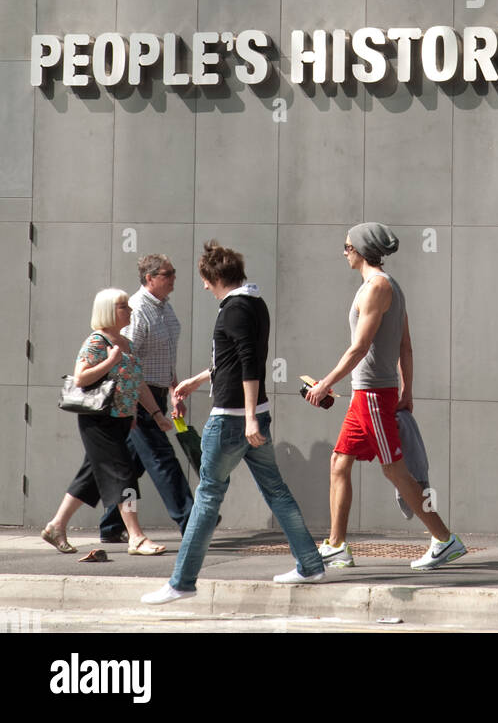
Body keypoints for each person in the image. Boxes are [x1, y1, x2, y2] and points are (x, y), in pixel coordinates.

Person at [141, 241, 324, 603]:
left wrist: (250, 419)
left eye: (205, 281)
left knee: (208, 497)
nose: (203, 287)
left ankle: (181, 582)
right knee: (276, 490)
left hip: (231, 421)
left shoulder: (233, 310)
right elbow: (232, 360)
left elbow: (250, 365)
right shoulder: (253, 304)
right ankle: (310, 564)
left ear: (215, 277)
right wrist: (197, 380)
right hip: (251, 418)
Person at [306, 222, 467, 571]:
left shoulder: (377, 287)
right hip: (367, 393)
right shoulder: (383, 286)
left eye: (348, 246)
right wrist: (408, 391)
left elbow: (360, 347)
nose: (344, 252)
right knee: (339, 462)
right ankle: (336, 545)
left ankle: (444, 539)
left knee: (394, 469)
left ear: (362, 250)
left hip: (373, 395)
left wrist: (324, 383)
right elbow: (405, 346)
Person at [42, 289, 171, 556]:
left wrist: (155, 414)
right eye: (124, 306)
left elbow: (138, 383)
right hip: (98, 421)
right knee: (125, 475)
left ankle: (56, 526)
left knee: (89, 477)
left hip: (121, 420)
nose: (130, 310)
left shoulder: (126, 343)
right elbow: (81, 378)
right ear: (109, 311)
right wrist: (110, 361)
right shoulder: (97, 342)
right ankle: (136, 537)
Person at [99, 254, 195, 544]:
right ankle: (190, 518)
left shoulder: (164, 308)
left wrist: (175, 389)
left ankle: (110, 525)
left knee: (130, 466)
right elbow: (127, 359)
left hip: (157, 391)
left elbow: (163, 354)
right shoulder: (139, 309)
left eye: (173, 272)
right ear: (150, 278)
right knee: (161, 457)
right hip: (138, 395)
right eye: (167, 274)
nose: (173, 278)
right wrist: (140, 403)